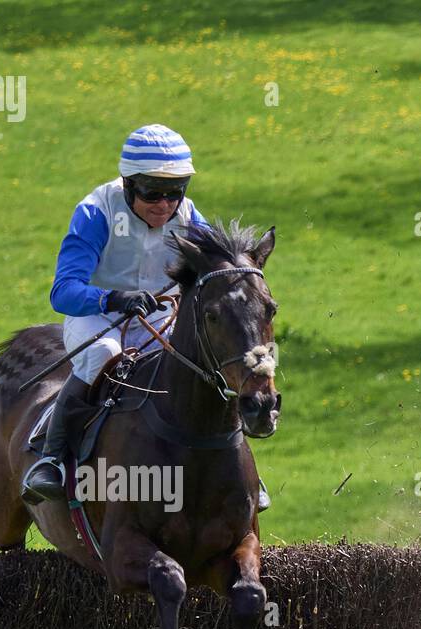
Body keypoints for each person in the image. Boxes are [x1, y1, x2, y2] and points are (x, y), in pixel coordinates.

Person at [22, 123, 270, 512]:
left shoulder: (188, 215)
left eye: (175, 192)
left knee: (204, 365)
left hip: (160, 319)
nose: (165, 205)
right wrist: (114, 298)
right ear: (128, 184)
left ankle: (241, 470)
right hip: (97, 317)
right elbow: (63, 292)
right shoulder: (95, 211)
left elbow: (216, 276)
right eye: (152, 192)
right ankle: (51, 460)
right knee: (104, 355)